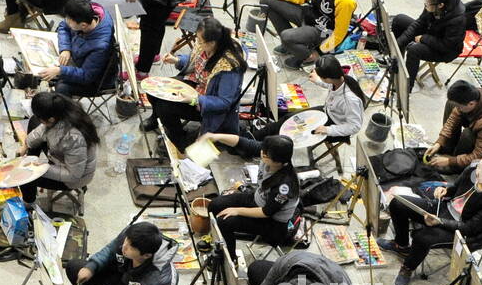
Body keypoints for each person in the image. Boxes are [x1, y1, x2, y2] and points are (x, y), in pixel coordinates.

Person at [381, 151, 482, 285]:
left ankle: (408, 268)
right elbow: (454, 189)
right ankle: (402, 245)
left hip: (462, 231)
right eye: (479, 166)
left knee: (423, 238)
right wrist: (444, 190)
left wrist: (440, 221)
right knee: (398, 204)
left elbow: (470, 227)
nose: (478, 172)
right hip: (445, 209)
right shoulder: (473, 169)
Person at [201, 54, 364, 158]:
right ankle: (251, 139)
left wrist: (329, 130)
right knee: (287, 118)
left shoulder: (351, 99)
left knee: (287, 134)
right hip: (325, 112)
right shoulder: (337, 81)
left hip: (332, 125)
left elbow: (354, 126)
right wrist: (319, 81)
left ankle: (255, 147)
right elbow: (330, 87)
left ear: (330, 77)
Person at [147, 16, 245, 149]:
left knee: (165, 107)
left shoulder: (229, 67)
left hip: (206, 102)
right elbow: (196, 61)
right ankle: (156, 118)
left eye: (200, 40)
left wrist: (195, 99)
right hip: (195, 83)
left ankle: (178, 139)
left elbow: (224, 102)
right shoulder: (206, 46)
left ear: (212, 43)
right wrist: (176, 60)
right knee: (154, 89)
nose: (197, 43)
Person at [206, 135, 300, 257]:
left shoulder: (284, 186)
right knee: (214, 205)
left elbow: (267, 212)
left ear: (278, 161)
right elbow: (242, 142)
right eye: (263, 151)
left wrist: (237, 211)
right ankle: (214, 240)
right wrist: (214, 136)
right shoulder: (268, 153)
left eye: (265, 155)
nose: (261, 154)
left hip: (272, 223)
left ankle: (229, 258)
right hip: (257, 199)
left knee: (225, 221)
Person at [20, 91, 99, 204]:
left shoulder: (73, 138)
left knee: (26, 176)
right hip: (65, 157)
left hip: (75, 177)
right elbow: (43, 128)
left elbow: (73, 175)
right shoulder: (63, 110)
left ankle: (28, 203)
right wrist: (26, 144)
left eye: (42, 118)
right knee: (34, 121)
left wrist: (43, 168)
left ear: (51, 119)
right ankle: (30, 160)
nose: (41, 121)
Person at [390, 0, 467, 83]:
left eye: (428, 1)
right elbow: (419, 23)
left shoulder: (457, 20)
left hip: (446, 50)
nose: (425, 3)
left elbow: (446, 46)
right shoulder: (432, 4)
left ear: (440, 5)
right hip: (432, 33)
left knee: (414, 50)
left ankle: (406, 87)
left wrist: (424, 38)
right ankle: (396, 62)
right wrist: (398, 43)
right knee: (399, 20)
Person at [40, 0, 113, 97]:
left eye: (70, 21)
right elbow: (63, 26)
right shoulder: (88, 13)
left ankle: (64, 110)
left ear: (83, 25)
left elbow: (86, 76)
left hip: (94, 80)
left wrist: (60, 70)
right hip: (76, 58)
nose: (67, 22)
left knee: (61, 86)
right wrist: (65, 49)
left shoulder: (100, 46)